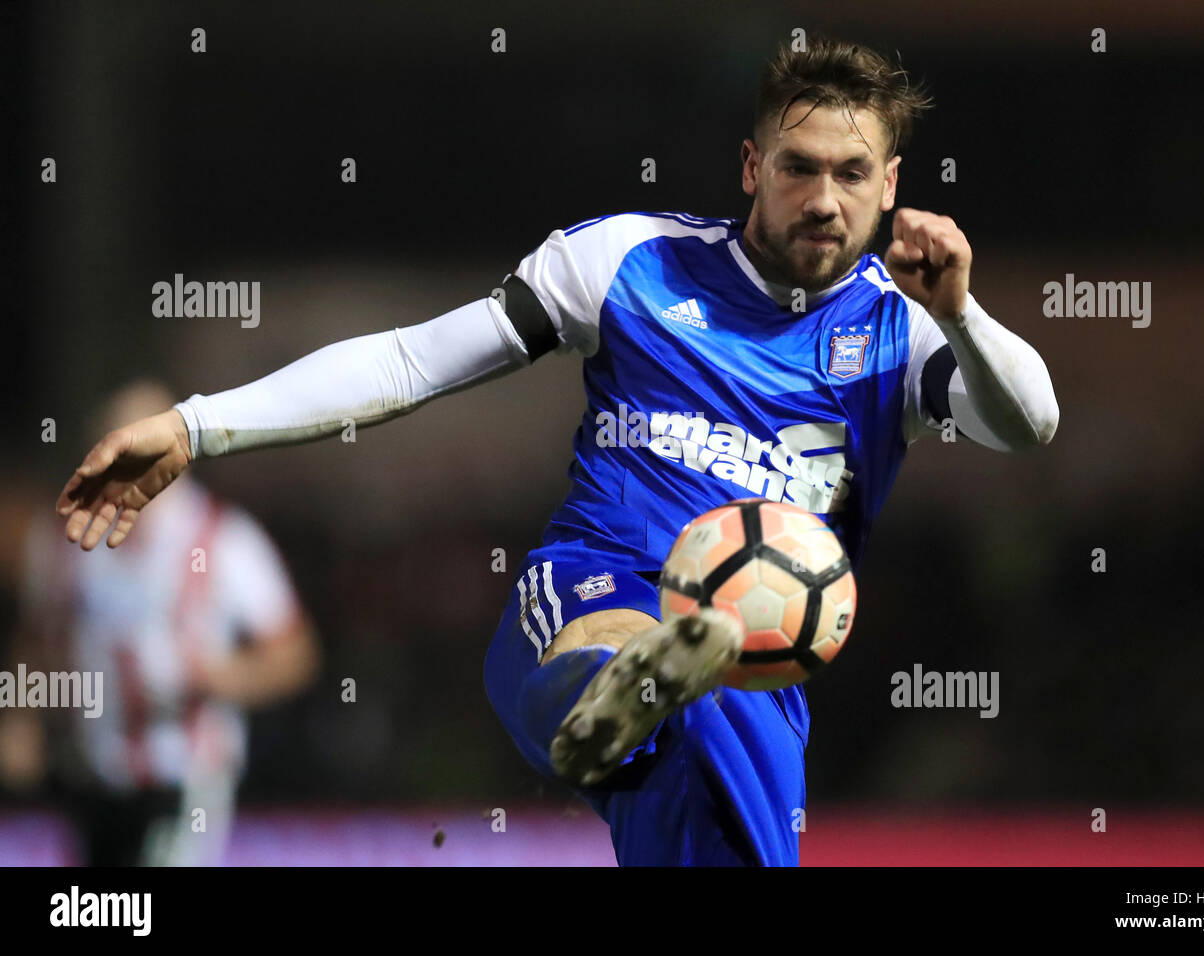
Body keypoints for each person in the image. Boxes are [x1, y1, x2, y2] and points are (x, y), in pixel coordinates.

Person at [56, 37, 1057, 865]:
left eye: (850, 174)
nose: (823, 198)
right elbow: (414, 360)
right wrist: (195, 424)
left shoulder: (904, 332)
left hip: (757, 674)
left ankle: (660, 678)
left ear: (890, 186)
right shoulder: (629, 262)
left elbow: (1029, 422)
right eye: (797, 167)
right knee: (604, 629)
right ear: (753, 168)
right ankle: (621, 677)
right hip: (594, 581)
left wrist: (962, 310)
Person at [17, 382, 319, 865]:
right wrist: (22, 716)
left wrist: (214, 676)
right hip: (90, 776)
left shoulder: (222, 538)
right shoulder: (62, 538)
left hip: (183, 775)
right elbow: (38, 638)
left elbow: (293, 653)